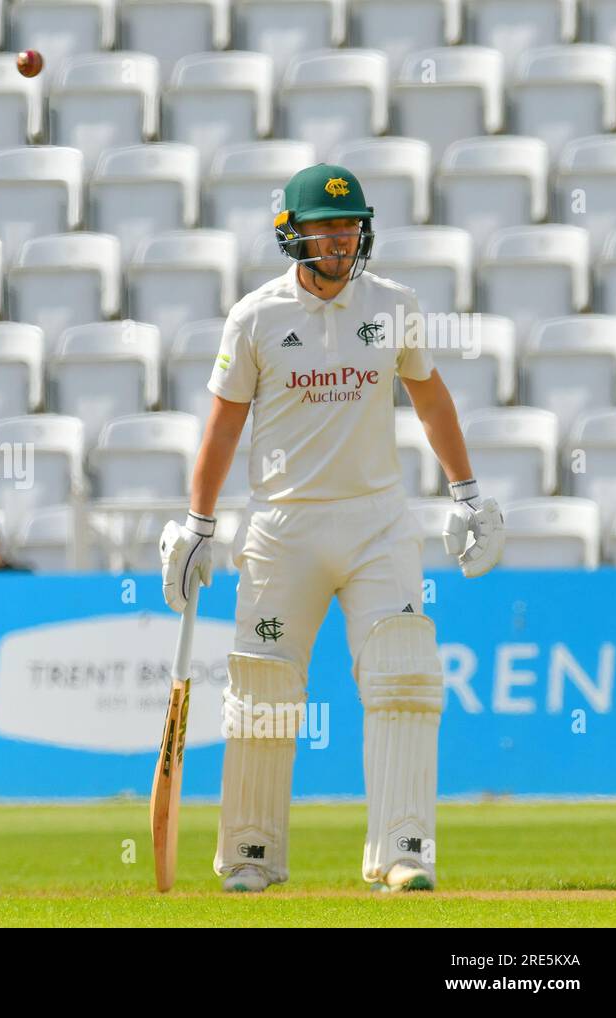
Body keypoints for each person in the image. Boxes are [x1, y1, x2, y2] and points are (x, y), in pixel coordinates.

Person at [158, 164, 504, 894]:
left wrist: (468, 494)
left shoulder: (394, 306)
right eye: (326, 228)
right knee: (263, 687)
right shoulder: (255, 317)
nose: (341, 241)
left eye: (350, 227)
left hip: (378, 521)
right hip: (283, 529)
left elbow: (433, 402)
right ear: (293, 233)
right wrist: (197, 524)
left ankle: (404, 850)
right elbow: (221, 431)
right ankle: (251, 854)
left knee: (406, 677)